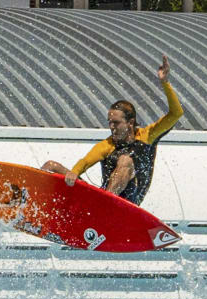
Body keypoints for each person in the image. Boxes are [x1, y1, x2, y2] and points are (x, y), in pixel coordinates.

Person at [52, 60, 187, 206]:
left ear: (130, 122)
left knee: (125, 160)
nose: (111, 127)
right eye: (109, 122)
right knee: (51, 166)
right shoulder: (108, 145)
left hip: (129, 203)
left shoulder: (148, 136)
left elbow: (176, 113)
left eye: (116, 123)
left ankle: (105, 205)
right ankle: (39, 212)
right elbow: (86, 161)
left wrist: (165, 83)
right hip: (104, 197)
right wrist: (74, 172)